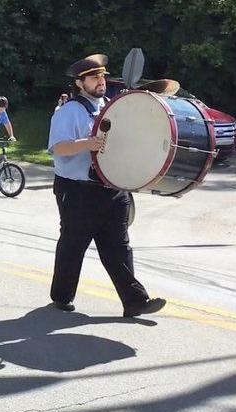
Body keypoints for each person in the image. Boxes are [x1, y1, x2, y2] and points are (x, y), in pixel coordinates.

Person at [47, 53, 166, 318]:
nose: (101, 81)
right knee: (73, 244)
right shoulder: (69, 111)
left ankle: (135, 301)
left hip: (111, 187)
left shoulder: (112, 106)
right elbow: (58, 148)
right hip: (77, 190)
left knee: (119, 247)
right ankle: (61, 296)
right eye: (94, 77)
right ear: (80, 83)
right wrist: (87, 143)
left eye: (102, 76)